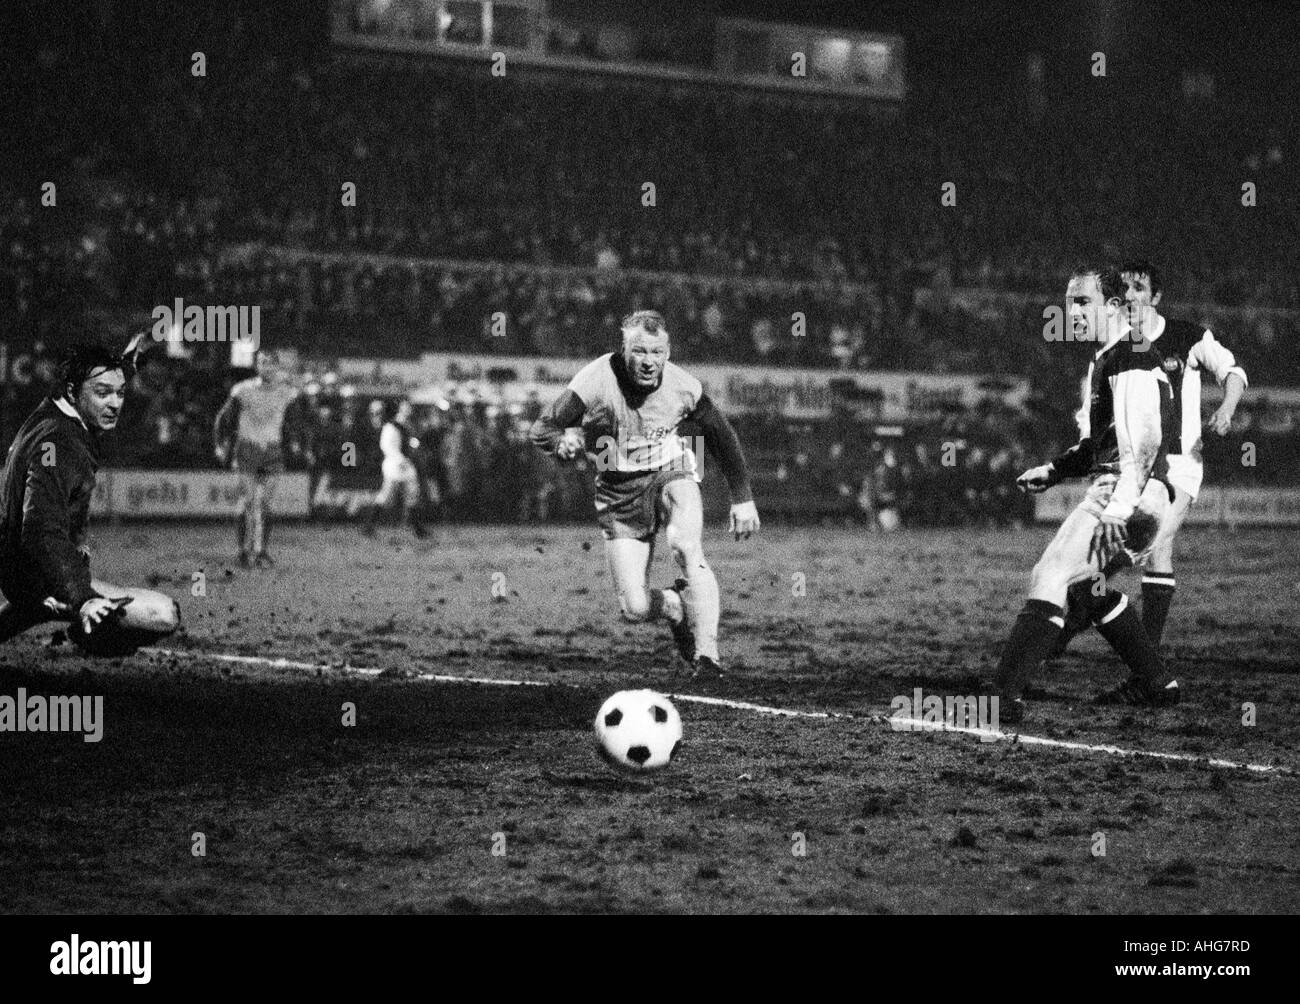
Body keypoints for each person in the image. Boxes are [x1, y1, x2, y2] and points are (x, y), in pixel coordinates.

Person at [529, 310, 760, 678]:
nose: (649, 361)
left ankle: (708, 657)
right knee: (635, 608)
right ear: (624, 351)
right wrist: (561, 443)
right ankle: (672, 605)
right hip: (618, 488)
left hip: (670, 470)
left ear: (667, 353)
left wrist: (742, 497)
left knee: (686, 546)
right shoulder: (595, 378)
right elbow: (542, 428)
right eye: (639, 352)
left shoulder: (683, 385)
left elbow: (720, 434)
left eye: (657, 352)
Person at [998, 266, 1180, 723]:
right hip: (1138, 495)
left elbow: (1144, 444)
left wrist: (1118, 509)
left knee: (1049, 575)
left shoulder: (1130, 356)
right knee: (1085, 589)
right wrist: (1053, 471)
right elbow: (1094, 447)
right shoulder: (1110, 359)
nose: (1072, 312)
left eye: (1083, 302)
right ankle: (1156, 681)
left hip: (1127, 493)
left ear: (1114, 306)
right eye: (1070, 304)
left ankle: (1001, 699)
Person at [0, 342, 179, 655]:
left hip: (22, 569)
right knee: (163, 614)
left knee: (35, 602)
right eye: (103, 392)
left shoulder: (51, 414)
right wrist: (83, 598)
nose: (115, 403)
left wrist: (124, 364)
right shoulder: (60, 441)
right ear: (73, 392)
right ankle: (82, 632)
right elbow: (41, 529)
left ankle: (41, 606)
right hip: (42, 574)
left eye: (120, 393)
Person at [213, 350, 302, 567]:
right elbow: (222, 418)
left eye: (271, 363)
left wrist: (296, 442)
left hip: (272, 451)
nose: (267, 367)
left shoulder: (286, 392)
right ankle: (243, 552)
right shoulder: (243, 390)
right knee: (248, 501)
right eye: (263, 363)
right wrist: (219, 445)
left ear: (277, 367)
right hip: (247, 449)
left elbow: (295, 420)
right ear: (256, 366)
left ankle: (261, 551)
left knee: (266, 504)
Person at [362, 399, 428, 538]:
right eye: (405, 407)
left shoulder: (408, 425)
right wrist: (399, 459)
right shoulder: (391, 426)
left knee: (413, 495)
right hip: (394, 464)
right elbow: (386, 445)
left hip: (406, 464)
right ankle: (369, 526)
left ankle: (418, 529)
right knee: (387, 496)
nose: (408, 409)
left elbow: (410, 443)